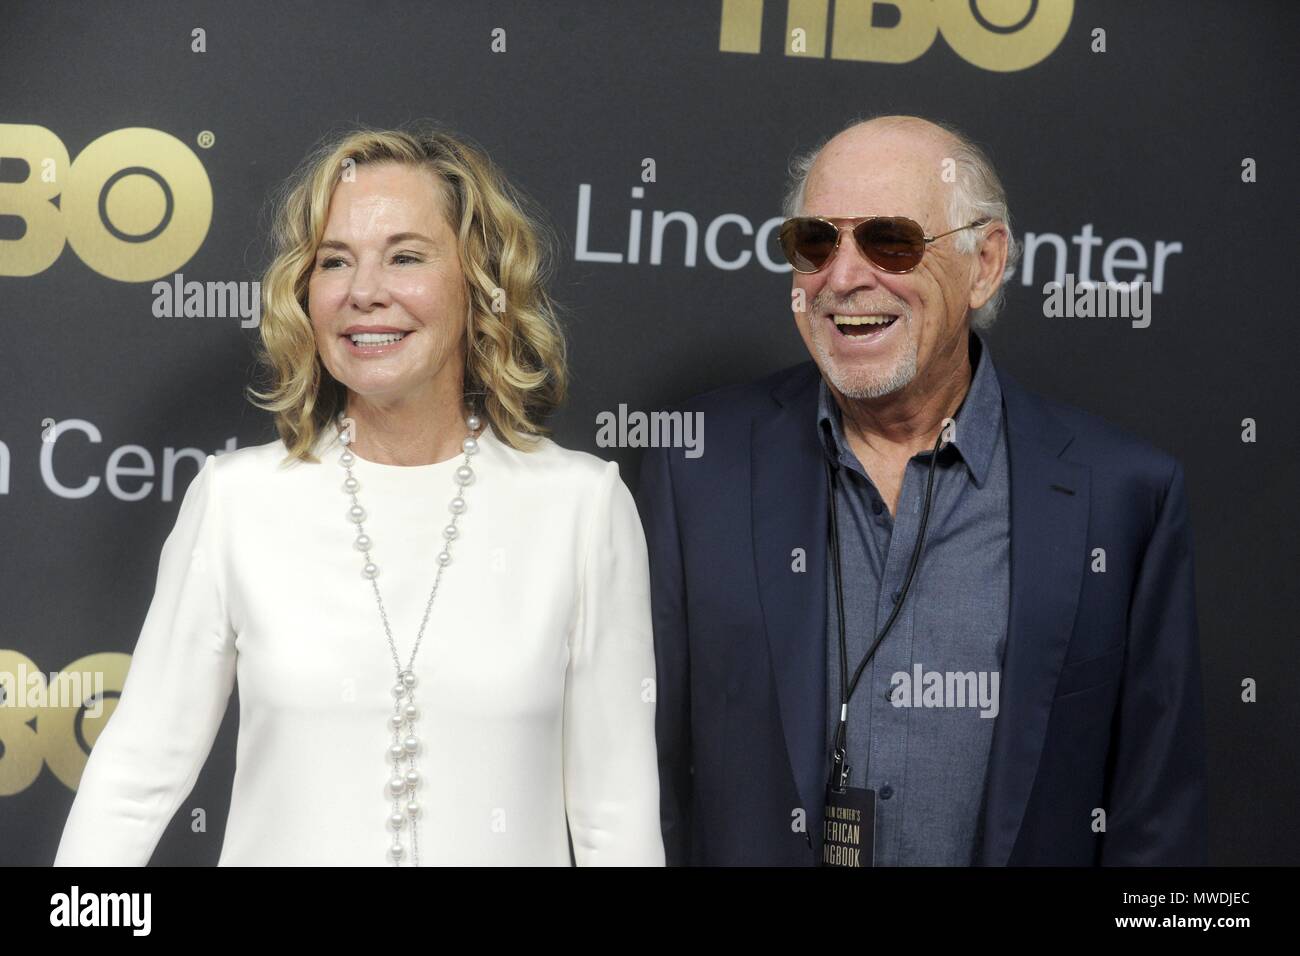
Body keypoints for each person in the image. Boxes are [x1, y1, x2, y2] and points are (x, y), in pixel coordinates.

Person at [54, 124, 664, 866]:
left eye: (405, 256)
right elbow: (132, 780)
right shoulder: (237, 501)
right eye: (335, 261)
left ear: (479, 284)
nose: (364, 292)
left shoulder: (582, 507)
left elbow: (616, 816)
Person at [635, 114, 1207, 866]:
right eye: (815, 242)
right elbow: (644, 787)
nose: (841, 277)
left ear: (985, 263)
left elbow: (1154, 825)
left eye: (890, 241)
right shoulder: (695, 465)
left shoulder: (1123, 495)